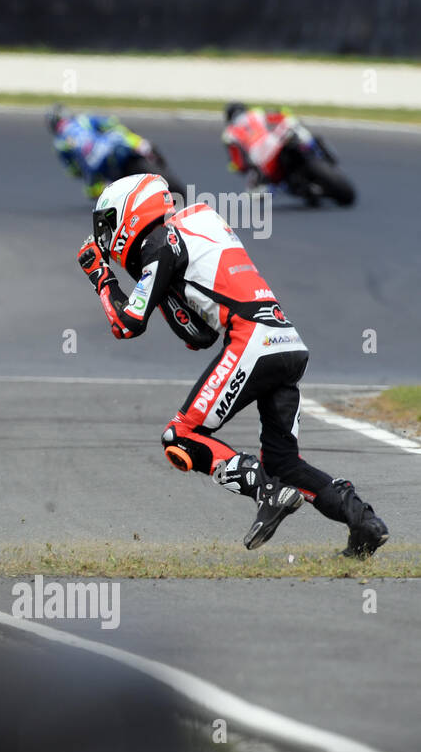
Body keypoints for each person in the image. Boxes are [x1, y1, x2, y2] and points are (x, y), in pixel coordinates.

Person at [75, 172, 388, 556]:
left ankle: (267, 493)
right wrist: (152, 285)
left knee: (180, 437)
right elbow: (198, 335)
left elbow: (127, 324)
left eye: (109, 225)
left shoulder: (163, 241)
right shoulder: (190, 228)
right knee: (284, 462)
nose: (106, 238)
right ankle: (364, 522)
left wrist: (101, 278)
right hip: (287, 342)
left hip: (253, 340)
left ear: (131, 212)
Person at [47, 103, 152, 199]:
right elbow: (110, 123)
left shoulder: (59, 143)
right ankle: (143, 146)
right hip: (108, 145)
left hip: (94, 165)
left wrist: (83, 170)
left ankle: (116, 192)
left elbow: (73, 170)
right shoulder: (83, 119)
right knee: (121, 132)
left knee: (92, 191)